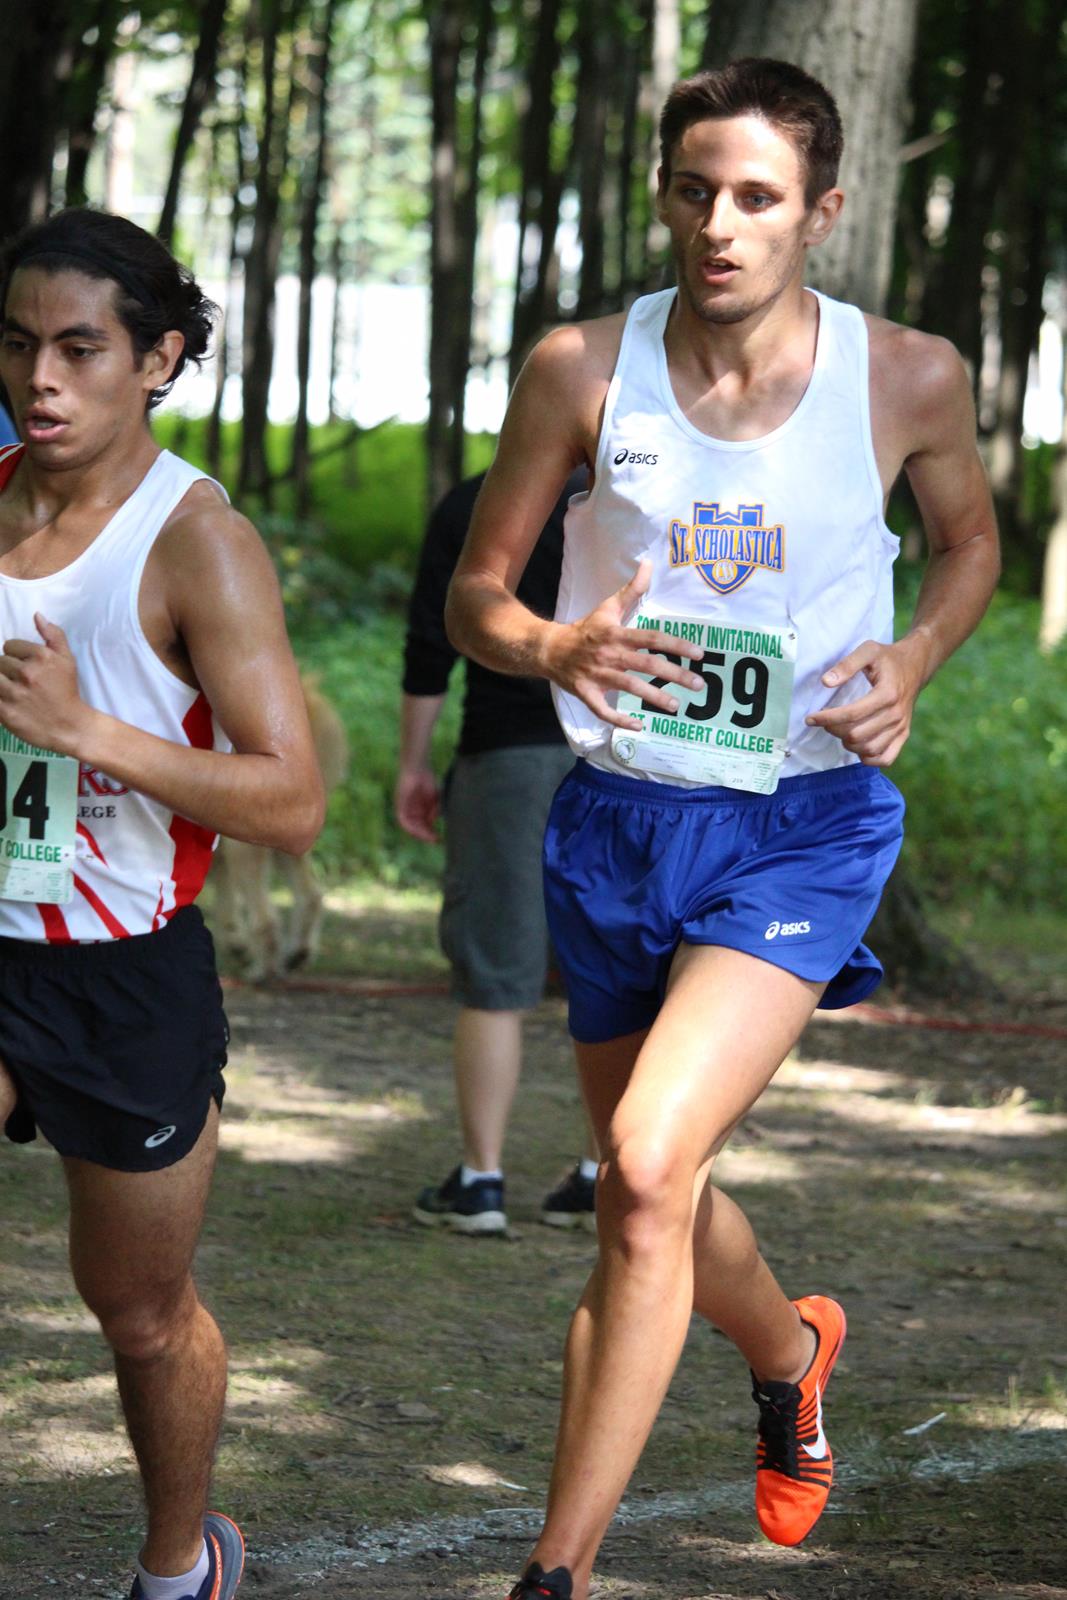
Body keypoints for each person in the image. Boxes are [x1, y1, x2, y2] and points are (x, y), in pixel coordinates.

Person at [445, 58, 1000, 1600]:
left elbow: (965, 544)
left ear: (819, 211)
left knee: (636, 1171)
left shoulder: (906, 376)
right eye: (692, 191)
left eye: (755, 197)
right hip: (617, 820)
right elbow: (475, 594)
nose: (717, 224)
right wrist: (549, 643)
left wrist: (914, 656)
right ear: (662, 196)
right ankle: (786, 1349)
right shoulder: (579, 367)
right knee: (656, 1182)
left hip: (799, 822)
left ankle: (554, 1574)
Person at [0, 208, 324, 1600]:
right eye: (19, 344)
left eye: (80, 349)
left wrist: (88, 732)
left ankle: (182, 1562)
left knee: (137, 1314)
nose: (41, 379)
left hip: (120, 972)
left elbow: (290, 800)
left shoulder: (198, 543)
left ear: (160, 359)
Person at [397, 467, 599, 1234]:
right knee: (615, 970)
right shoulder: (642, 497)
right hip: (627, 754)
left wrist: (413, 765)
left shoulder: (473, 502)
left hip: (506, 756)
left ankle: (480, 1182)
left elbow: (429, 645)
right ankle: (602, 1176)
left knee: (494, 975)